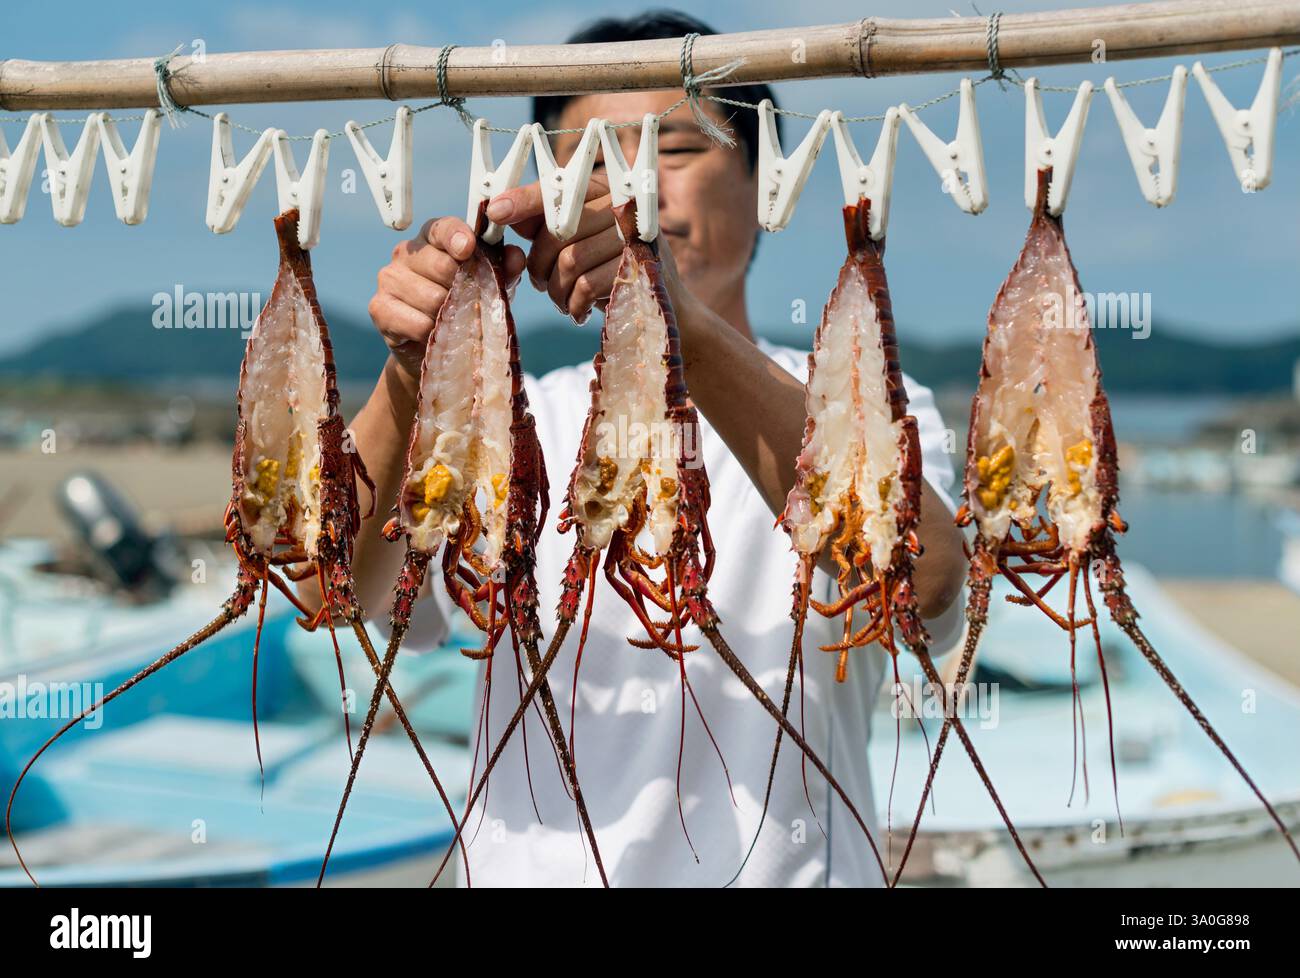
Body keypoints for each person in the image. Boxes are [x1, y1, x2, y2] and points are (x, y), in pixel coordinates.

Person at [343, 11, 966, 887]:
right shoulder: (512, 419)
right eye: (595, 160)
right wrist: (415, 371)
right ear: (547, 199)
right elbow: (342, 589)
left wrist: (680, 327)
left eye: (673, 148)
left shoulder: (875, 411)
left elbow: (925, 592)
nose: (634, 185)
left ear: (766, 184)